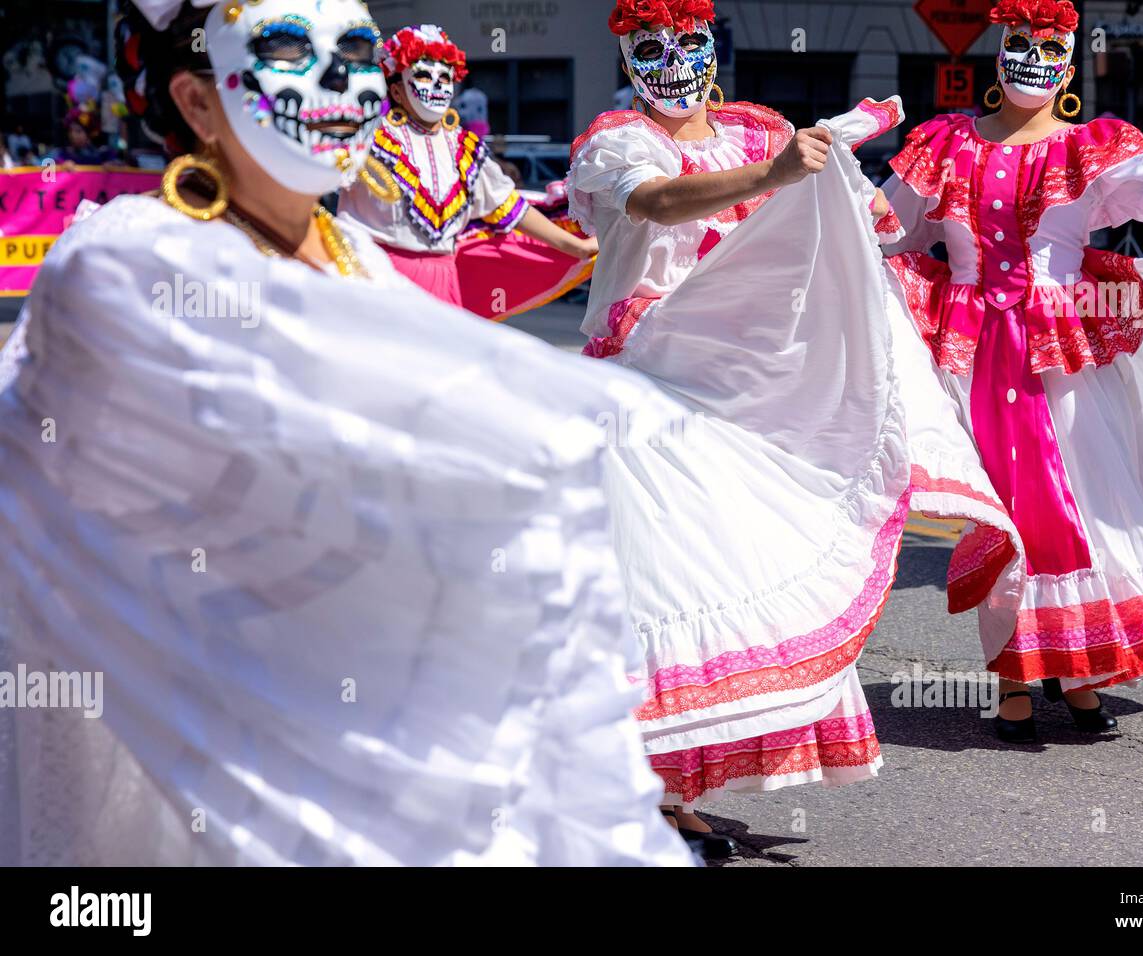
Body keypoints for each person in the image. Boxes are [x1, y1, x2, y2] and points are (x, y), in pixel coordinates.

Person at [0, 0, 695, 867]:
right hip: (198, 694)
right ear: (198, 103)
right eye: (290, 50)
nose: (340, 80)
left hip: (347, 666)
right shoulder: (128, 257)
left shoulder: (355, 256)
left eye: (360, 51)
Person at [877, 0, 1143, 742]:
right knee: (1014, 512)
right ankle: (1013, 675)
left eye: (1048, 46)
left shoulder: (1092, 150)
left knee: (1088, 505)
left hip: (1065, 360)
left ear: (1068, 66)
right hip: (978, 356)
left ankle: (1078, 669)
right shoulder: (944, 147)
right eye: (1019, 42)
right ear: (998, 53)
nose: (1031, 57)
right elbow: (880, 227)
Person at [569, 0, 908, 857]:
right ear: (627, 55)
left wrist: (850, 199)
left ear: (712, 49)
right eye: (651, 46)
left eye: (687, 42)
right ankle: (642, 787)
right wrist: (775, 178)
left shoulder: (758, 132)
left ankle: (678, 783)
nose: (672, 60)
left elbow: (855, 223)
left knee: (739, 576)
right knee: (660, 589)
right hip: (644, 390)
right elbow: (655, 204)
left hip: (744, 394)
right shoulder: (617, 142)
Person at [336, 24, 595, 307]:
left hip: (444, 283)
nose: (437, 84)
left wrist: (575, 246)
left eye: (445, 77)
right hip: (378, 280)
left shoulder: (464, 147)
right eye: (423, 75)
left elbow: (506, 206)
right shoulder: (366, 138)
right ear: (396, 91)